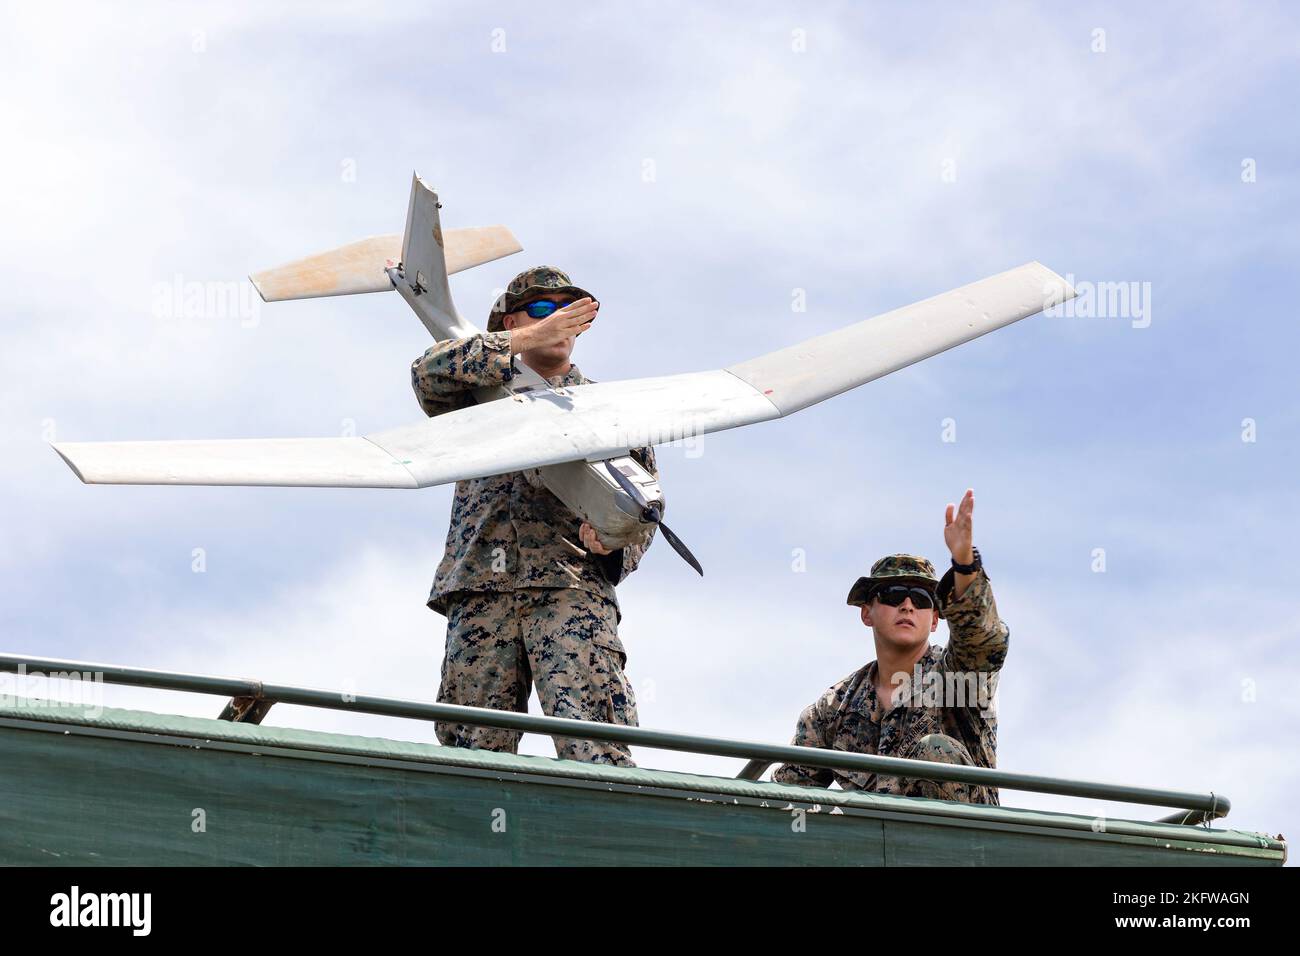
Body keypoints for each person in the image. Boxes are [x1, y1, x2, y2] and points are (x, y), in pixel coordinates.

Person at [410, 265, 657, 766]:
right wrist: (524, 341)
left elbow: (643, 504)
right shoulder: (472, 394)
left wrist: (613, 546)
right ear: (508, 323)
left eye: (567, 309)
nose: (558, 320)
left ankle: (600, 838)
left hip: (570, 587)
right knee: (471, 749)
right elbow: (427, 373)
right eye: (542, 308)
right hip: (482, 589)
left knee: (596, 742)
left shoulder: (609, 408)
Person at [773, 489, 1008, 804]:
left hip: (962, 842)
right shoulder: (836, 708)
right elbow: (785, 795)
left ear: (936, 619)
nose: (908, 605)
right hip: (871, 846)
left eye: (923, 599)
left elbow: (982, 641)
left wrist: (964, 566)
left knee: (934, 750)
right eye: (894, 594)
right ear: (866, 612)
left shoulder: (956, 678)